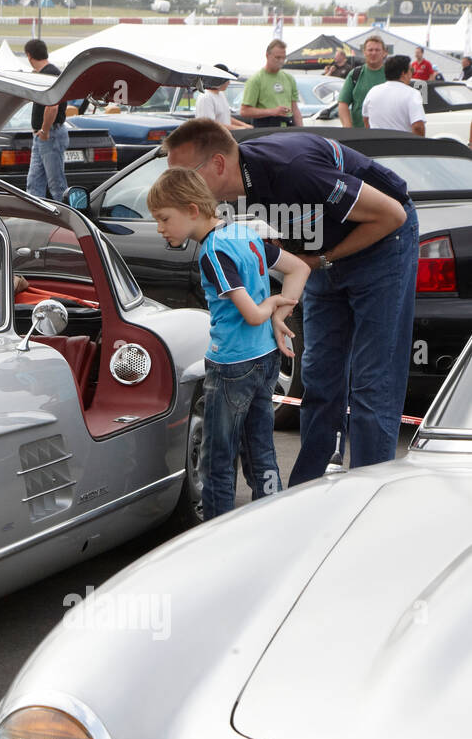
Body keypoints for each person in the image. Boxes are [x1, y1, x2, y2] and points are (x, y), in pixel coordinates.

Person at [163, 119, 417, 485]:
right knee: (318, 377)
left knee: (373, 381)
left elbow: (392, 214)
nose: (175, 189)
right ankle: (307, 489)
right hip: (321, 257)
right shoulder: (223, 199)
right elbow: (284, 240)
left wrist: (323, 261)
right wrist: (284, 298)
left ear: (217, 164)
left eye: (182, 177)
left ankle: (370, 492)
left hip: (382, 246)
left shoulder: (293, 169)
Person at [147, 167, 308, 519]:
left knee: (217, 460)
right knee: (261, 452)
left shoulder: (213, 252)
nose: (160, 228)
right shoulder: (243, 234)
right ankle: (271, 521)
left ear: (192, 210)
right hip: (265, 359)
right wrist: (281, 312)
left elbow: (252, 314)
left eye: (163, 218)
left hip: (232, 364)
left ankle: (217, 535)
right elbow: (299, 269)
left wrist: (270, 308)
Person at [22, 38, 68, 200]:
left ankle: (68, 219)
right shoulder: (49, 73)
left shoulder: (49, 74)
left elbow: (52, 106)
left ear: (29, 56)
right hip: (43, 135)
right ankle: (37, 216)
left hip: (49, 134)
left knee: (56, 185)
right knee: (34, 183)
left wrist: (45, 131)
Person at [239, 39, 302, 128]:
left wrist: (301, 131)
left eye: (283, 58)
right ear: (267, 55)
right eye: (277, 57)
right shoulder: (256, 79)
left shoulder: (289, 78)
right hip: (266, 128)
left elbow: (295, 109)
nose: (281, 61)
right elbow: (244, 111)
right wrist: (273, 111)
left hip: (287, 126)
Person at [361, 54, 426, 136]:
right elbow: (418, 126)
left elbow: (366, 118)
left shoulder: (373, 91)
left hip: (376, 144)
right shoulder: (412, 94)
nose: (412, 74)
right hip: (401, 145)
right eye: (411, 70)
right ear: (403, 73)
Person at [337, 35, 387, 128]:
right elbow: (343, 104)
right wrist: (348, 127)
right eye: (370, 50)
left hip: (386, 133)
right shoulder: (355, 74)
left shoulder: (391, 75)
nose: (373, 53)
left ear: (384, 53)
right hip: (360, 134)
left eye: (377, 50)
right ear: (364, 52)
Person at [193, 64, 251, 130]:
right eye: (227, 80)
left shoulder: (221, 94)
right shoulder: (206, 98)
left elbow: (226, 118)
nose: (229, 83)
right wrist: (240, 128)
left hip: (223, 137)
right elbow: (209, 126)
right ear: (219, 80)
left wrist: (245, 125)